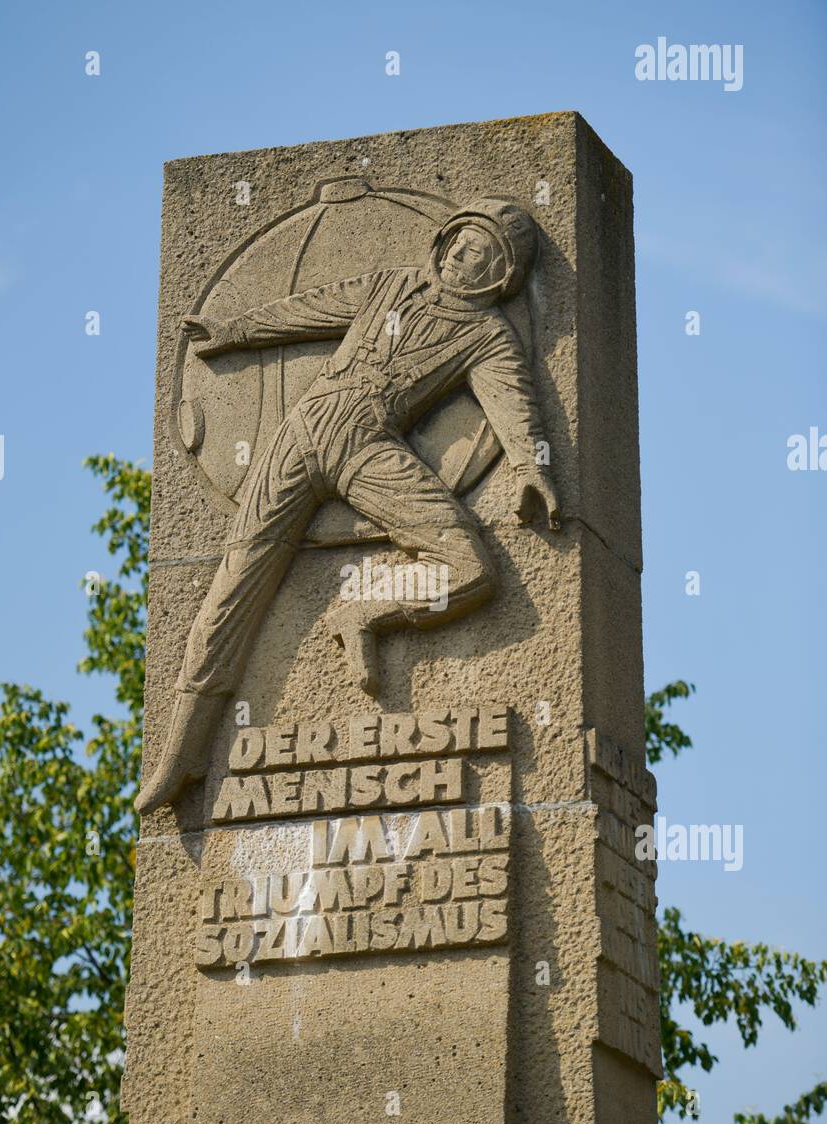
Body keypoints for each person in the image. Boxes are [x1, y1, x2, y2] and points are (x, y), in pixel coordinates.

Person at [136, 197, 560, 813]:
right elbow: (310, 311)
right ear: (444, 243)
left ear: (502, 278)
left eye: (485, 257)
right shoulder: (388, 285)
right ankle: (183, 752)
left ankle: (364, 614)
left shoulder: (486, 335)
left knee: (472, 569)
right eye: (463, 244)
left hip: (368, 446)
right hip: (302, 432)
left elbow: (513, 403)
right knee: (234, 584)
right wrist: (232, 333)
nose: (466, 260)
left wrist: (529, 466)